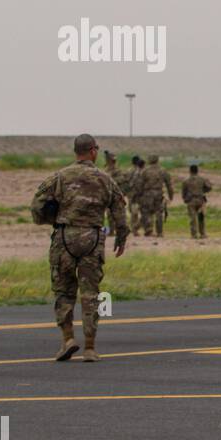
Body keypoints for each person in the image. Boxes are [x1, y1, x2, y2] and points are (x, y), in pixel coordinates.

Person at [31, 134, 128, 362]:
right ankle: (90, 347)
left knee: (63, 291)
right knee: (91, 293)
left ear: (76, 151)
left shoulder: (60, 177)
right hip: (93, 238)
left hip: (64, 236)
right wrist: (121, 237)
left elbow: (37, 205)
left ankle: (67, 340)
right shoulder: (105, 179)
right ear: (93, 151)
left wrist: (50, 220)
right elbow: (119, 210)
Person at [137, 155, 173, 237]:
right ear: (157, 160)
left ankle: (148, 230)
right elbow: (169, 185)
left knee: (146, 212)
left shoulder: (145, 171)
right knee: (159, 213)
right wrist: (171, 196)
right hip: (158, 194)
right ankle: (159, 232)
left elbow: (140, 184)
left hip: (147, 194)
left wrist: (139, 195)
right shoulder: (163, 171)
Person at [181, 164, 213, 239]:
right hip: (200, 200)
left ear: (190, 171)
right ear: (197, 171)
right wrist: (203, 191)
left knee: (192, 218)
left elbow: (183, 192)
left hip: (191, 200)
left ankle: (194, 234)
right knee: (201, 217)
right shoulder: (202, 179)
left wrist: (185, 199)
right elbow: (209, 187)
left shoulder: (186, 181)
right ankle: (202, 234)